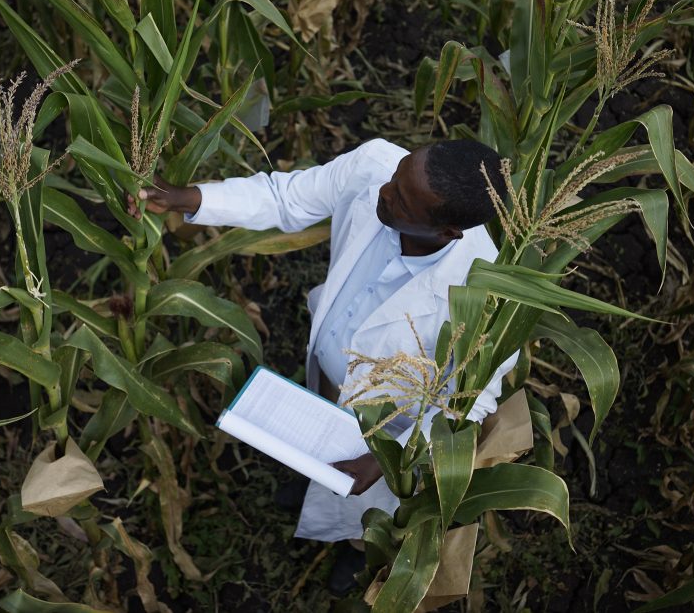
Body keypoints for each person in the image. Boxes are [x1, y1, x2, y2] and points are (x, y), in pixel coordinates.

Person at [129, 137, 518, 591]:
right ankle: (306, 480)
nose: (384, 191)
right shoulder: (377, 166)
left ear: (449, 231)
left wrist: (387, 457)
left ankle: (359, 551)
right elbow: (286, 197)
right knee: (312, 455)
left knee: (364, 506)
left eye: (401, 198)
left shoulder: (484, 298)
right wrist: (190, 197)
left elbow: (469, 403)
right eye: (397, 175)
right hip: (327, 384)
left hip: (381, 431)